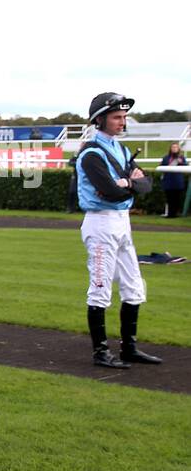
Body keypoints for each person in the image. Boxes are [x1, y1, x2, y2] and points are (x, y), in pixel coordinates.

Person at [77, 92, 161, 368]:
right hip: (100, 223)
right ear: (99, 120)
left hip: (122, 222)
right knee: (100, 287)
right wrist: (128, 183)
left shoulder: (122, 150)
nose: (122, 122)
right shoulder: (90, 154)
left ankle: (129, 348)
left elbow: (147, 185)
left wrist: (125, 183)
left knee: (134, 286)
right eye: (116, 117)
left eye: (123, 117)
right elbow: (111, 192)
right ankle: (101, 352)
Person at [158, 142, 186, 218]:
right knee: (169, 198)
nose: (174, 149)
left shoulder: (181, 158)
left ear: (178, 149)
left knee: (177, 198)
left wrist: (181, 163)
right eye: (173, 147)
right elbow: (161, 167)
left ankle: (176, 213)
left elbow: (185, 167)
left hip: (177, 181)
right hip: (168, 181)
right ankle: (170, 214)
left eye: (176, 147)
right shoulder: (166, 158)